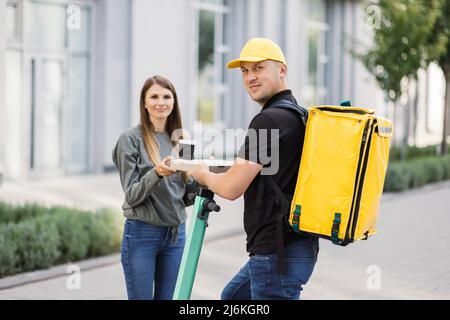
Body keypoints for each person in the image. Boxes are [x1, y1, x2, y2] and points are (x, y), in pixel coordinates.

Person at [188, 38, 319, 300]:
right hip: (295, 246)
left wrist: (201, 173)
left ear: (282, 70)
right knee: (233, 297)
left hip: (276, 253)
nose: (250, 77)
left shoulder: (268, 120)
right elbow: (272, 170)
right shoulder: (299, 115)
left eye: (258, 68)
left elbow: (231, 188)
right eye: (245, 71)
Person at [112, 75, 196, 300]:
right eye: (154, 96)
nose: (161, 102)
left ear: (174, 102)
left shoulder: (182, 139)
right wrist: (157, 173)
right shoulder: (129, 140)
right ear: (144, 103)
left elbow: (185, 197)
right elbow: (131, 196)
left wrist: (205, 175)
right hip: (142, 234)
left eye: (167, 96)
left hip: (176, 234)